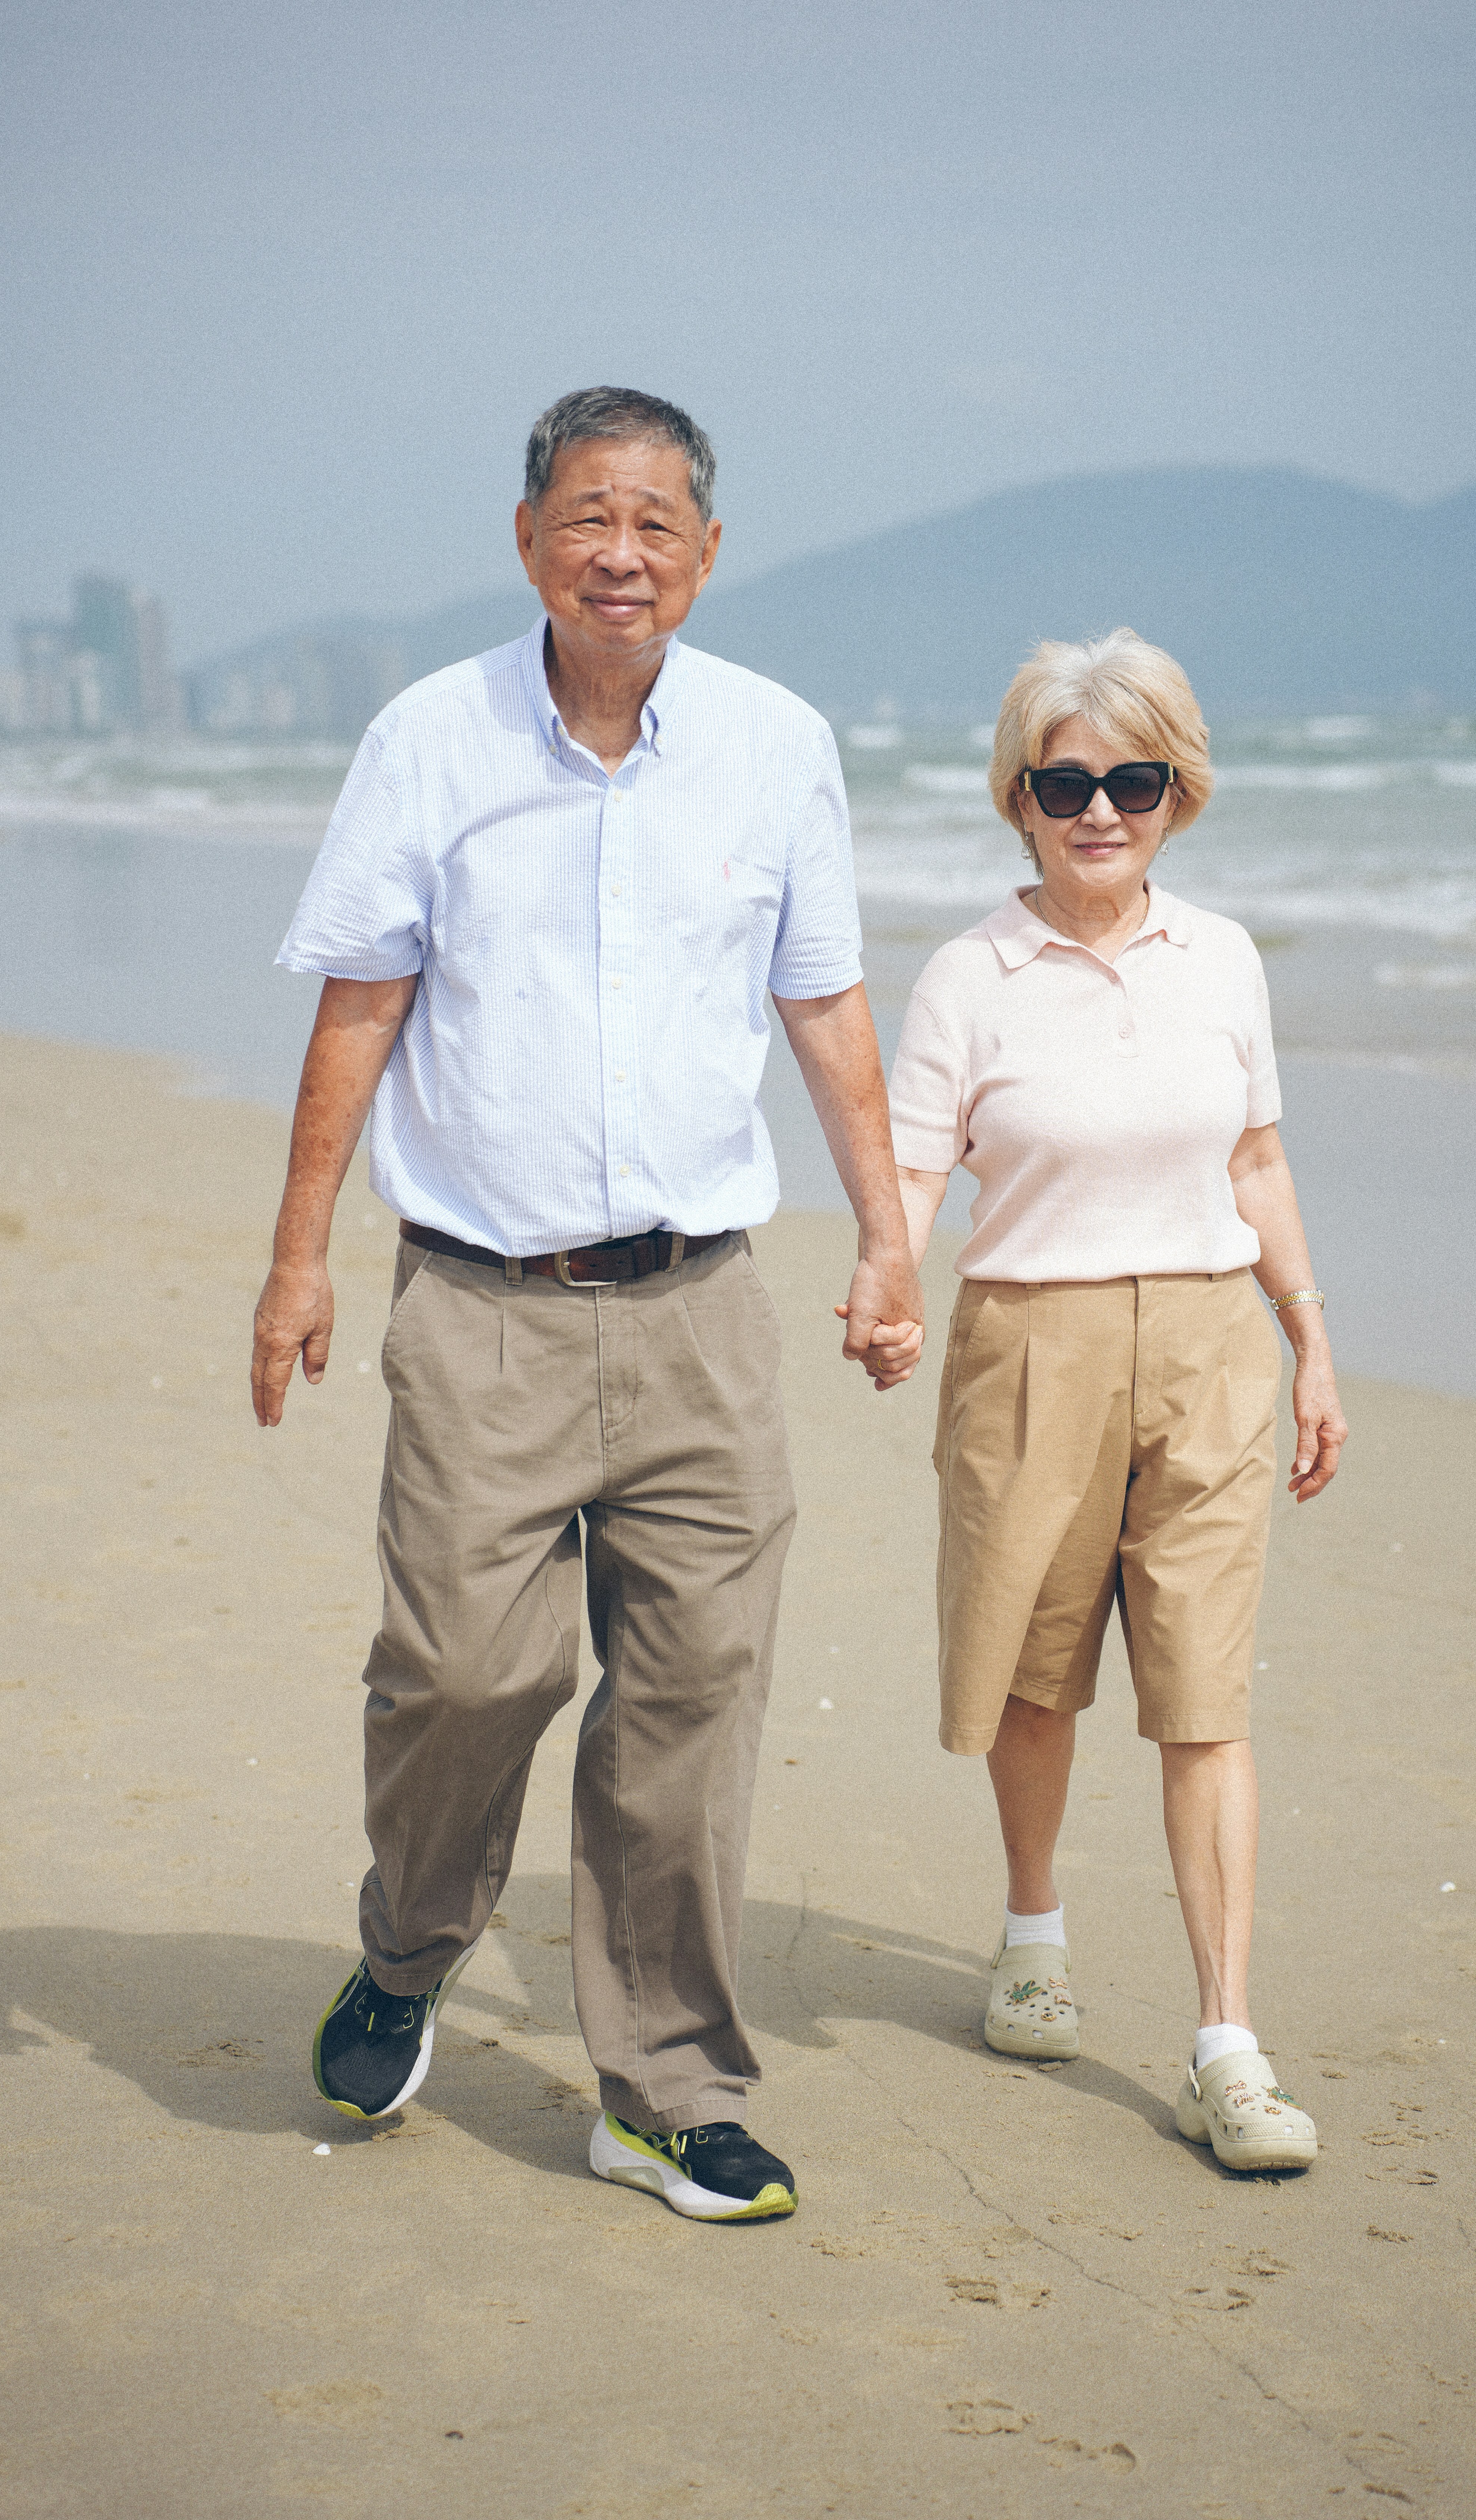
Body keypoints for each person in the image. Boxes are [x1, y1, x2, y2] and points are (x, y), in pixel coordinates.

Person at [252, 386, 924, 2224]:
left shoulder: (778, 745)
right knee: (469, 1675)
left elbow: (826, 1003)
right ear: (532, 538)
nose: (621, 552)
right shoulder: (428, 737)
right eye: (587, 517)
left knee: (692, 1701)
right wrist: (298, 1254)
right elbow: (362, 1005)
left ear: (707, 552)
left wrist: (883, 1234)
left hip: (705, 1306)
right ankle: (407, 1950)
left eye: (657, 523)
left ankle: (666, 2088)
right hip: (484, 1305)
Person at [886, 628, 1345, 2171]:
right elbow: (909, 1165)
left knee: (1205, 1701)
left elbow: (1259, 1162)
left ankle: (1226, 2042)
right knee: (1034, 1676)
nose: (1101, 811)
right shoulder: (968, 977)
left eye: (1133, 780)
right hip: (1031, 1345)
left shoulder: (1222, 958)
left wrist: (1312, 1341)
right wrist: (882, 1283)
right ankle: (1033, 1935)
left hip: (1216, 1349)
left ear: (1178, 791)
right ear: (1019, 796)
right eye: (1067, 782)